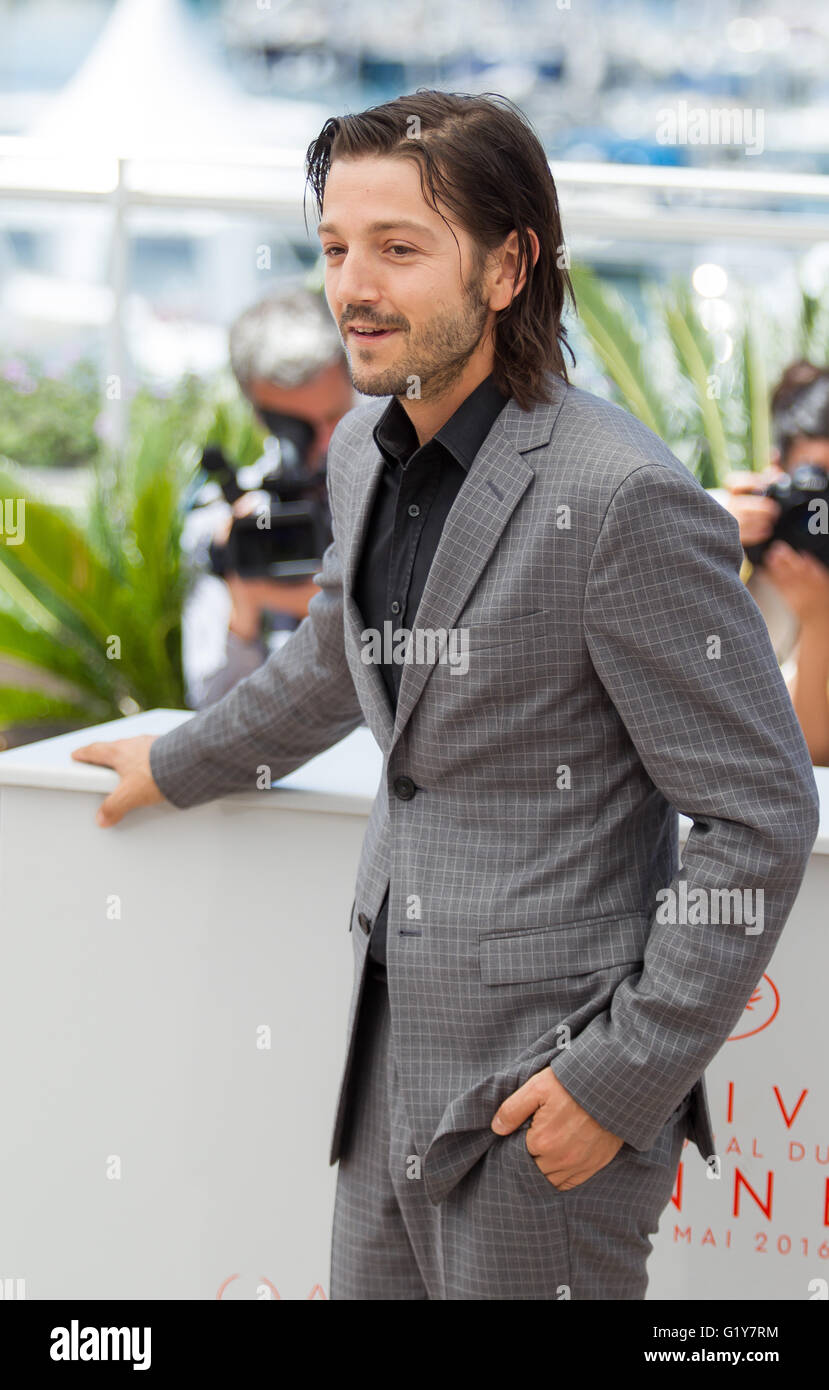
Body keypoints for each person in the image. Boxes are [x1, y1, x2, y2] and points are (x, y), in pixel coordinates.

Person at [71, 90, 820, 1301]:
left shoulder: (622, 498)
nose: (351, 287)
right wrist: (179, 760)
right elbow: (336, 658)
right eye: (334, 248)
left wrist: (616, 1077)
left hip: (544, 1100)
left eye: (398, 249)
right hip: (385, 1074)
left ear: (509, 264)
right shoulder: (364, 446)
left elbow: (762, 809)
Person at [183, 286, 356, 707]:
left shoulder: (400, 496)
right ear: (258, 412)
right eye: (299, 427)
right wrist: (246, 602)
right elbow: (212, 704)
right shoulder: (228, 523)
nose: (326, 442)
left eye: (335, 415)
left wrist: (337, 608)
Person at [716, 362, 829, 766]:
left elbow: (813, 755)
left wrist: (819, 620)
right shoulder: (746, 541)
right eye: (818, 482)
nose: (822, 513)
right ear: (776, 471)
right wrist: (714, 537)